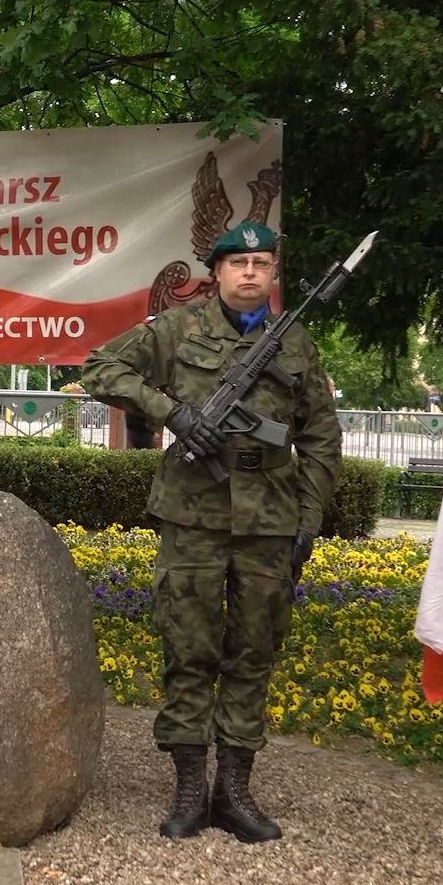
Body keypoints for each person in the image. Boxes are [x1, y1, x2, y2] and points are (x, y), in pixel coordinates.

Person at [80, 219, 341, 844]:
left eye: (261, 263)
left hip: (271, 519)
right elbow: (98, 367)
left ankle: (235, 791)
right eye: (237, 262)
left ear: (274, 275)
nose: (249, 272)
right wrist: (176, 414)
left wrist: (308, 517)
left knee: (254, 650)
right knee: (189, 647)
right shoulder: (177, 330)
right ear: (217, 272)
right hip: (193, 514)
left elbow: (321, 439)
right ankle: (191, 788)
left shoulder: (297, 343)